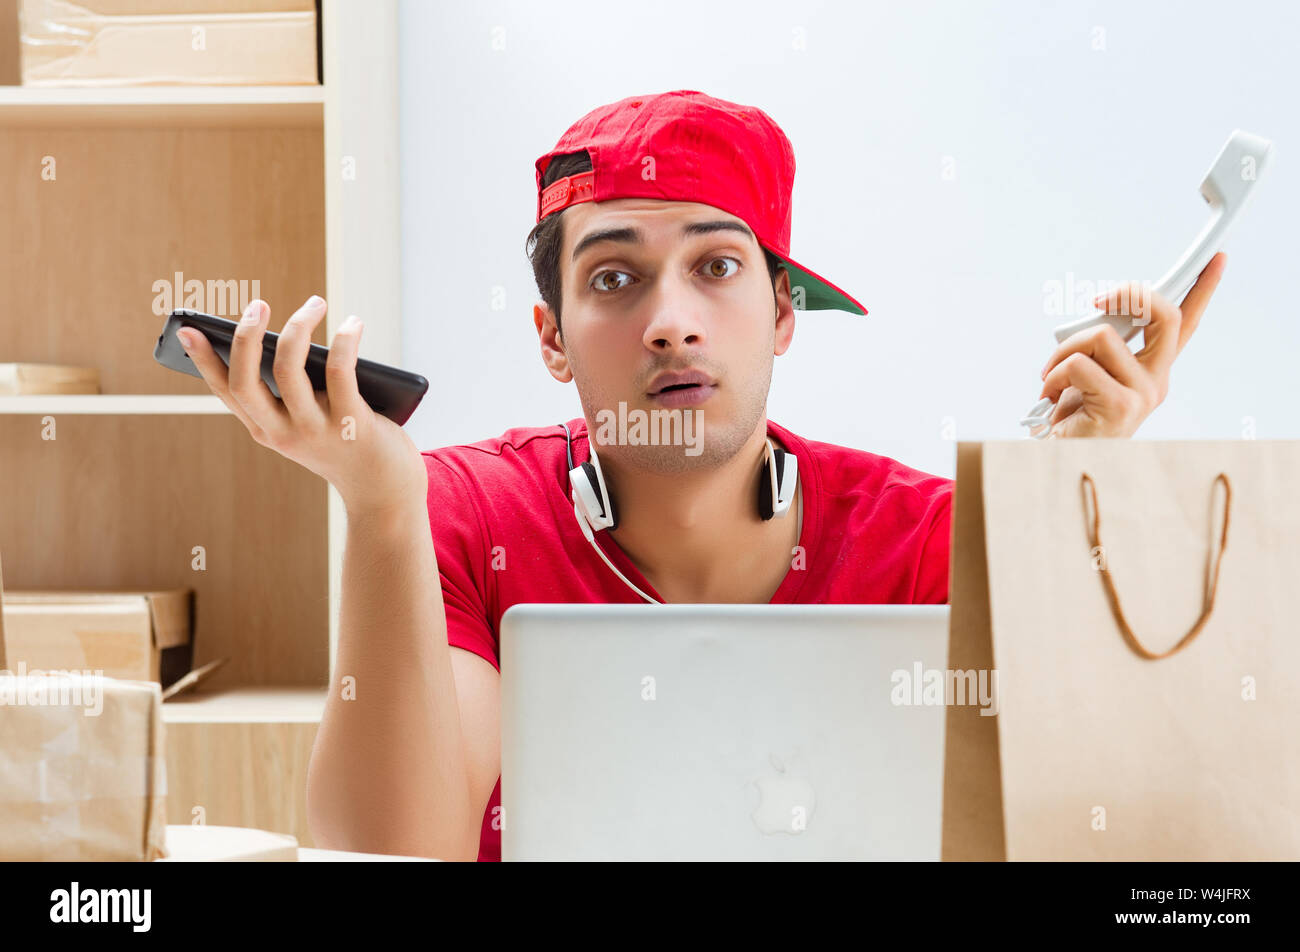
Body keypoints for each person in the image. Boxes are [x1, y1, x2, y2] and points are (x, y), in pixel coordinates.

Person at [177, 90, 1227, 862]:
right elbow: (398, 850)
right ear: (553, 337)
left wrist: (1065, 502)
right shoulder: (459, 511)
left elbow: (1089, 829)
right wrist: (380, 506)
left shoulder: (928, 537)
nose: (670, 318)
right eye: (614, 276)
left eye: (716, 266)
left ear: (780, 314)